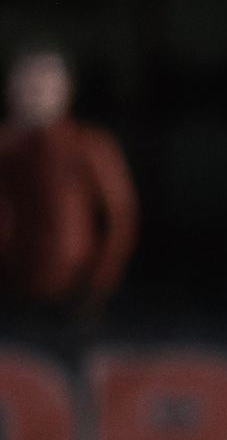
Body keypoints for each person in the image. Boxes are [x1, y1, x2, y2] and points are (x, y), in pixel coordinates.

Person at [0, 43, 138, 320]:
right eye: (27, 81)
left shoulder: (89, 145)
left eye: (46, 81)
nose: (36, 90)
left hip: (72, 299)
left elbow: (119, 219)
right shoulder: (6, 147)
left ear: (66, 88)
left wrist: (98, 286)